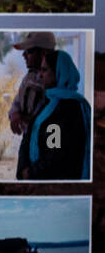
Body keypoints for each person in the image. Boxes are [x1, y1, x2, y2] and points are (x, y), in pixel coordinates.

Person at [25, 48, 90, 180]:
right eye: (40, 70)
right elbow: (27, 136)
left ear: (59, 73)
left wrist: (30, 173)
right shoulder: (47, 101)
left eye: (45, 70)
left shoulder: (71, 107)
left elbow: (57, 153)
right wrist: (22, 167)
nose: (40, 75)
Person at [9, 31, 53, 178]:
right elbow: (19, 100)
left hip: (43, 141)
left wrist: (32, 172)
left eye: (29, 51)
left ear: (44, 52)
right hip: (28, 138)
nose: (24, 55)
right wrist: (15, 114)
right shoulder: (29, 76)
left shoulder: (54, 82)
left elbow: (54, 149)